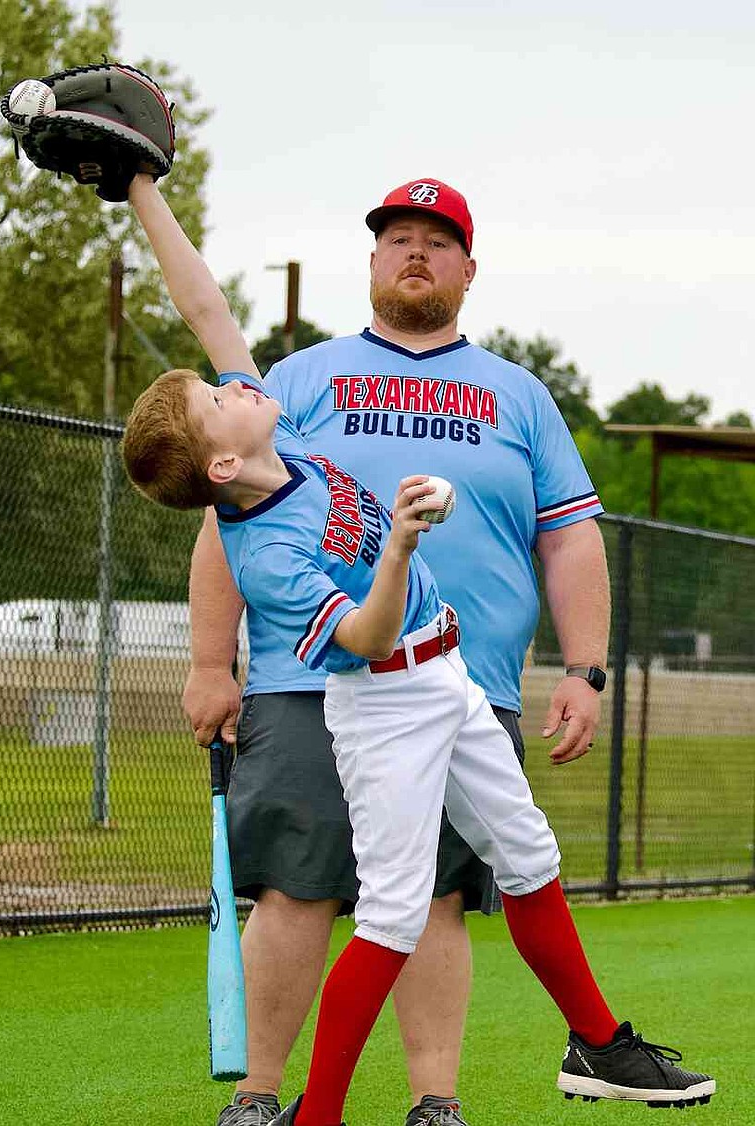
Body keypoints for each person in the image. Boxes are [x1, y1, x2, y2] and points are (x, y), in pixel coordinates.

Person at [122, 175, 715, 1124]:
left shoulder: (282, 448)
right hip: (377, 694)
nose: (234, 385)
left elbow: (205, 306)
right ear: (219, 463)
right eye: (397, 236)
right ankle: (299, 1109)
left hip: (456, 681)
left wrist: (143, 190)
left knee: (523, 856)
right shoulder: (267, 528)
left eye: (435, 241)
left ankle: (598, 1046)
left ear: (468, 269)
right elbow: (357, 641)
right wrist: (396, 544)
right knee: (375, 907)